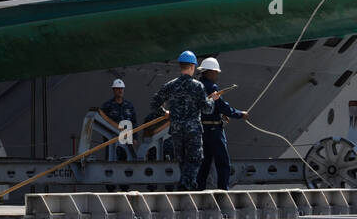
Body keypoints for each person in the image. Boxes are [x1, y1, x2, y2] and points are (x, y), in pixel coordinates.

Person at [148, 51, 216, 189]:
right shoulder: (197, 86)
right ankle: (186, 186)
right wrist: (212, 100)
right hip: (193, 131)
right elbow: (207, 109)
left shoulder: (171, 85)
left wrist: (165, 112)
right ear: (192, 66)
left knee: (182, 160)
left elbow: (154, 103)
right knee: (195, 159)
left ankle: (186, 184)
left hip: (176, 129)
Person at [196, 57, 248, 190]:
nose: (217, 75)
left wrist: (220, 112)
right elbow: (222, 106)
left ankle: (198, 189)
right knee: (223, 162)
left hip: (201, 130)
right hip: (214, 130)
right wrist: (240, 114)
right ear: (209, 72)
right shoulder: (212, 87)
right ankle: (223, 190)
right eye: (215, 72)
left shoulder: (196, 86)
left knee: (204, 163)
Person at [99, 78, 137, 161]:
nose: (120, 91)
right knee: (111, 161)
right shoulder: (107, 106)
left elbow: (134, 122)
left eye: (122, 89)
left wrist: (135, 138)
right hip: (112, 141)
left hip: (127, 141)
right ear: (113, 90)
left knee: (128, 164)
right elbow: (101, 121)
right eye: (118, 89)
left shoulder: (129, 106)